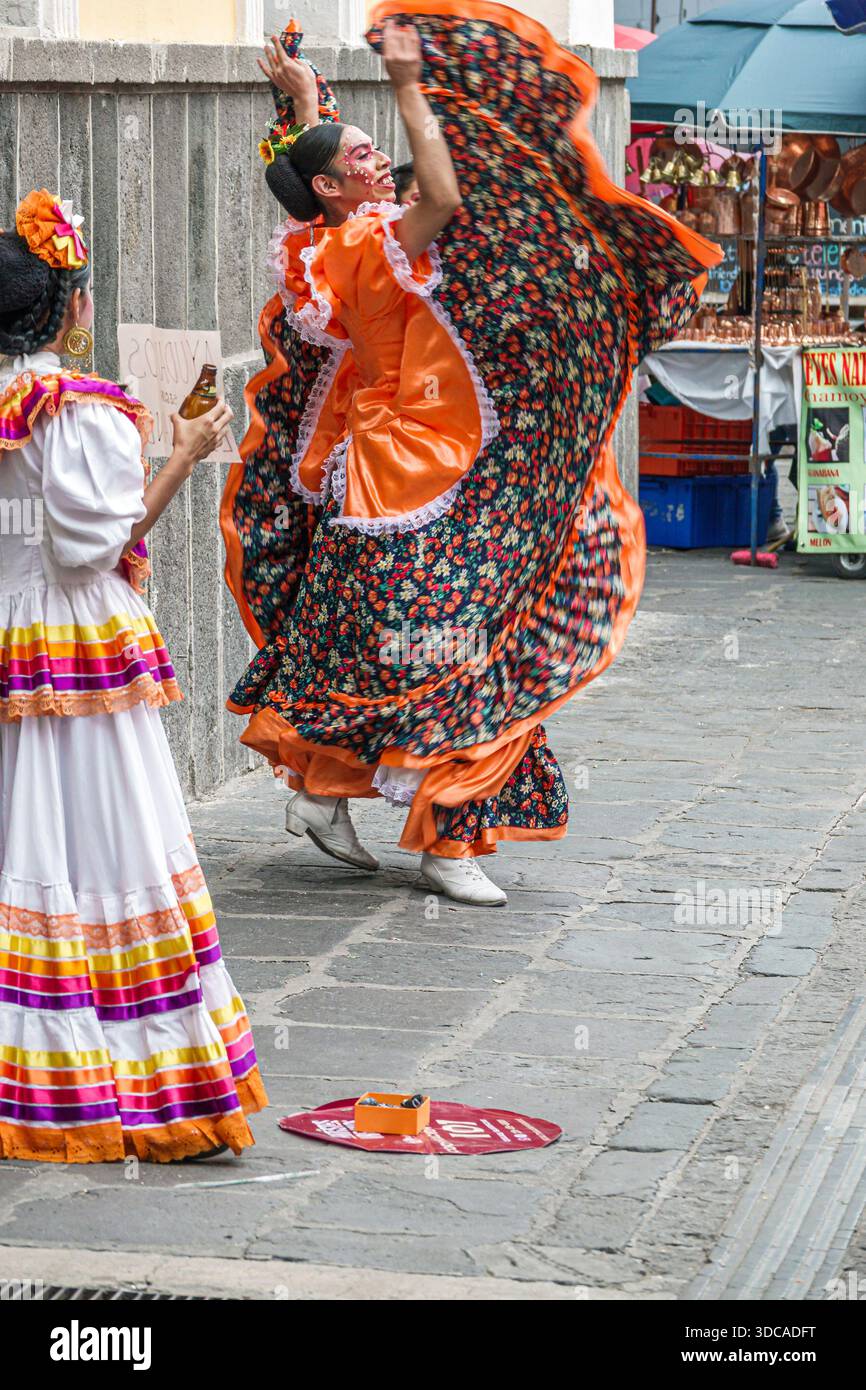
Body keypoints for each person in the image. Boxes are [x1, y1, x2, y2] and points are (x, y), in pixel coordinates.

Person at [222, 5, 722, 908]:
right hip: (421, 472)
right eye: (364, 158)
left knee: (390, 654)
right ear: (334, 188)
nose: (382, 161)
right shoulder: (369, 244)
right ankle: (443, 838)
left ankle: (328, 793)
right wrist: (410, 83)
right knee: (469, 656)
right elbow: (443, 197)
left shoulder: (325, 243)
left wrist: (305, 102)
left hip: (409, 467)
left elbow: (328, 170)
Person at [0, 190, 267, 1161]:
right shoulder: (77, 409)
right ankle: (125, 1077)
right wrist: (185, 455)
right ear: (70, 307)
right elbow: (94, 547)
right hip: (76, 641)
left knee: (25, 828)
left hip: (12, 631)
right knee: (109, 837)